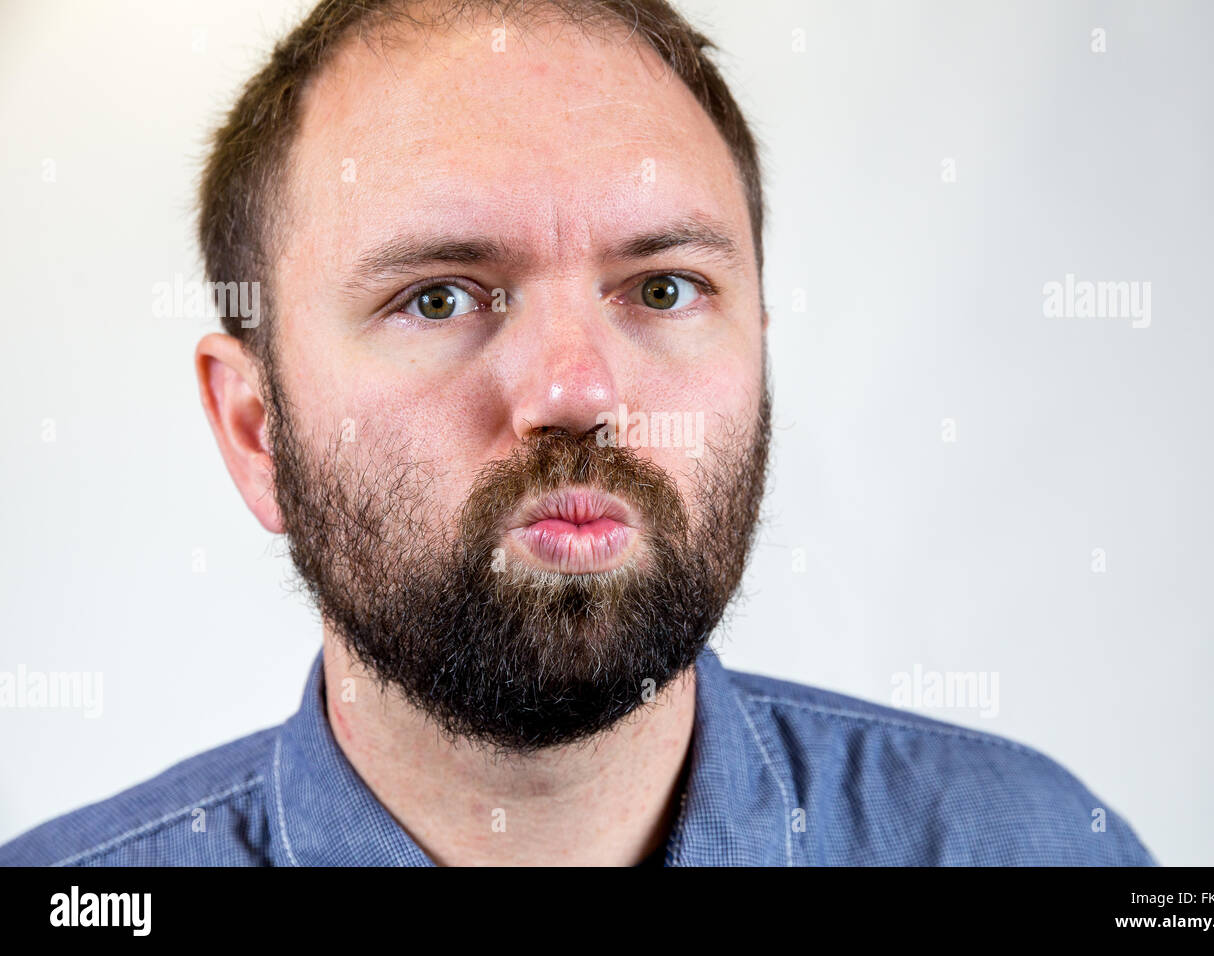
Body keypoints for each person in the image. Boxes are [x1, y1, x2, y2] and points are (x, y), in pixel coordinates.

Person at [0, 0, 1154, 866]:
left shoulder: (1037, 845)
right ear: (255, 430)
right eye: (440, 296)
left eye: (660, 288)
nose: (577, 392)